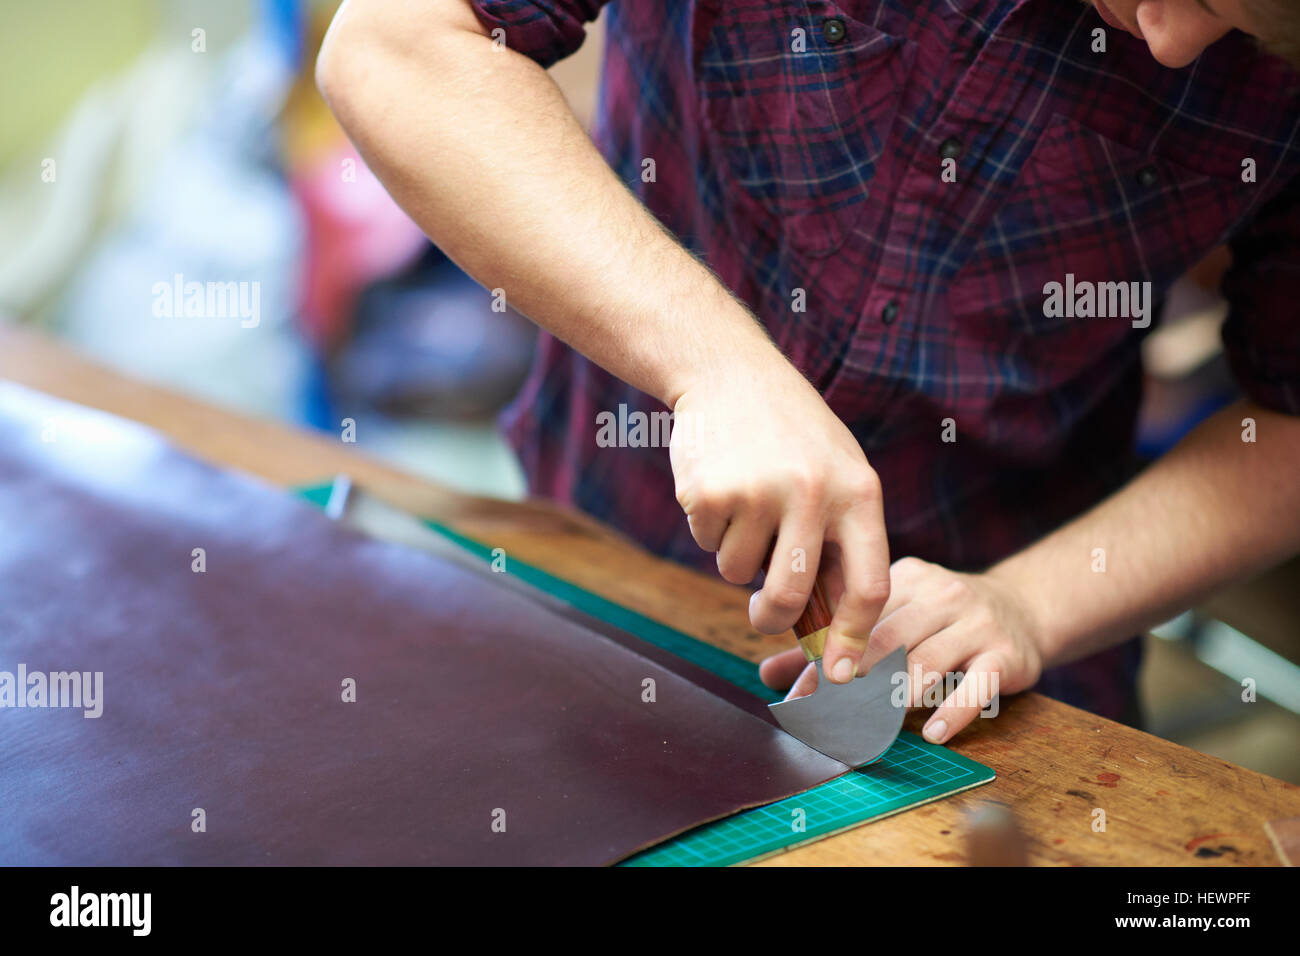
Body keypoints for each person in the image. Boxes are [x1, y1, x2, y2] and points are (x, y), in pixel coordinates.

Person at [316, 0, 1300, 742]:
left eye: (1246, 24)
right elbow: (401, 44)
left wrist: (1031, 603)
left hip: (1000, 663)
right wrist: (713, 365)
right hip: (607, 549)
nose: (1175, 42)